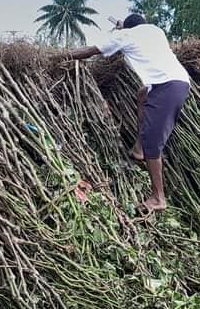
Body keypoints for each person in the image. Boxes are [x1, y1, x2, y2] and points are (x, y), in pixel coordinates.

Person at [68, 14, 191, 211]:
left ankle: (158, 197)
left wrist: (64, 56)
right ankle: (139, 149)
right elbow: (138, 32)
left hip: (167, 86)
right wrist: (122, 26)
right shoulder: (156, 31)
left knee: (153, 140)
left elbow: (92, 51)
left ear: (127, 28)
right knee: (142, 95)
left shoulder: (127, 35)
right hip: (174, 81)